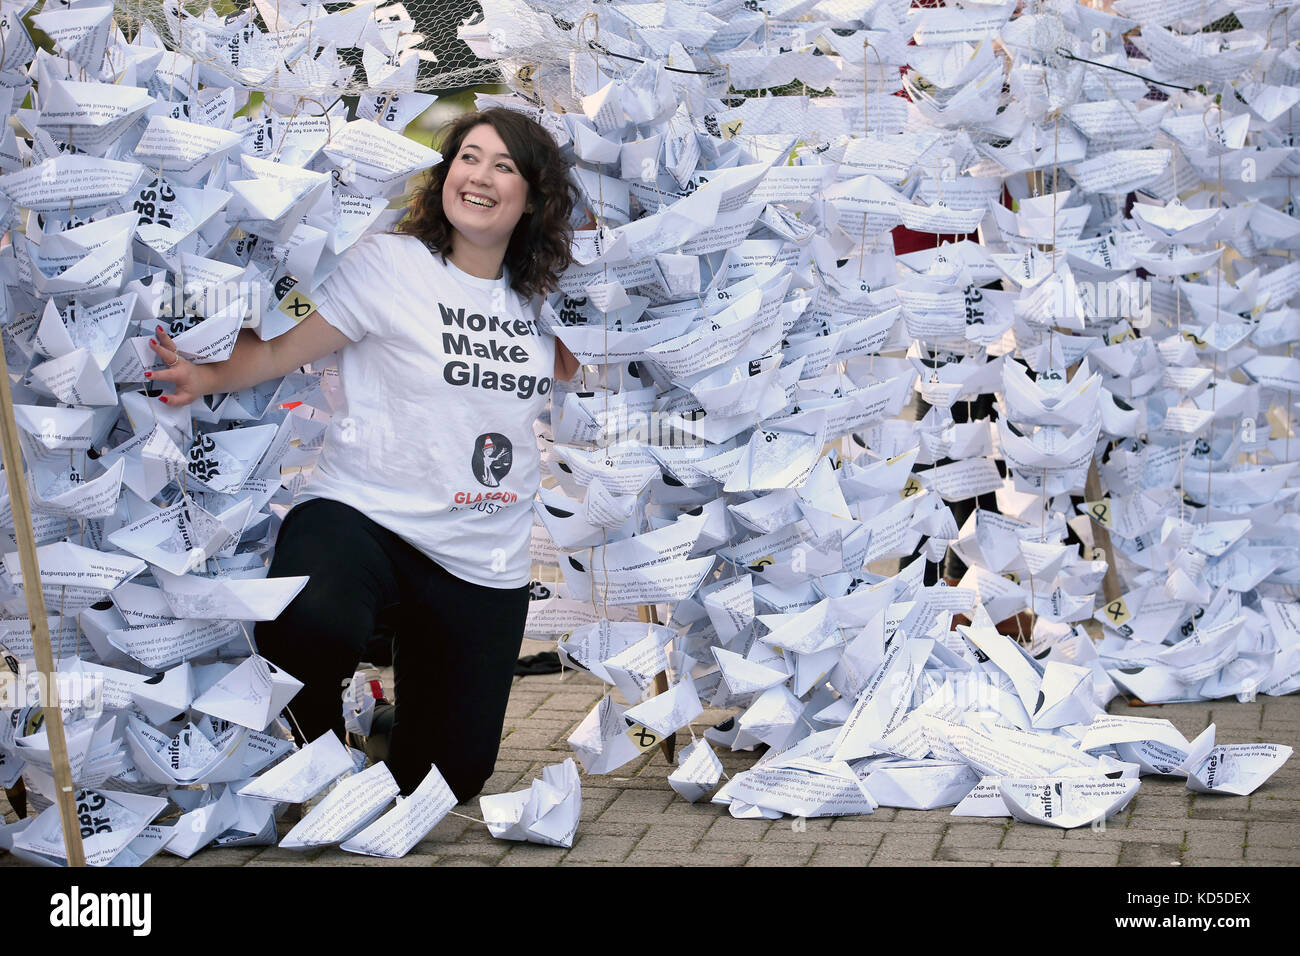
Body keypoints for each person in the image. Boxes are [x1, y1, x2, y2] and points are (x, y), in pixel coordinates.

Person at [147, 107, 582, 802]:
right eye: (468, 157)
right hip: (363, 519)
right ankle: (318, 742)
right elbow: (284, 349)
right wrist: (205, 374)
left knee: (449, 781)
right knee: (308, 620)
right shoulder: (387, 262)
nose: (479, 176)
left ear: (533, 195)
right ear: (445, 174)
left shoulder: (549, 303)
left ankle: (381, 721)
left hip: (478, 556)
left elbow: (616, 362)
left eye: (504, 166)